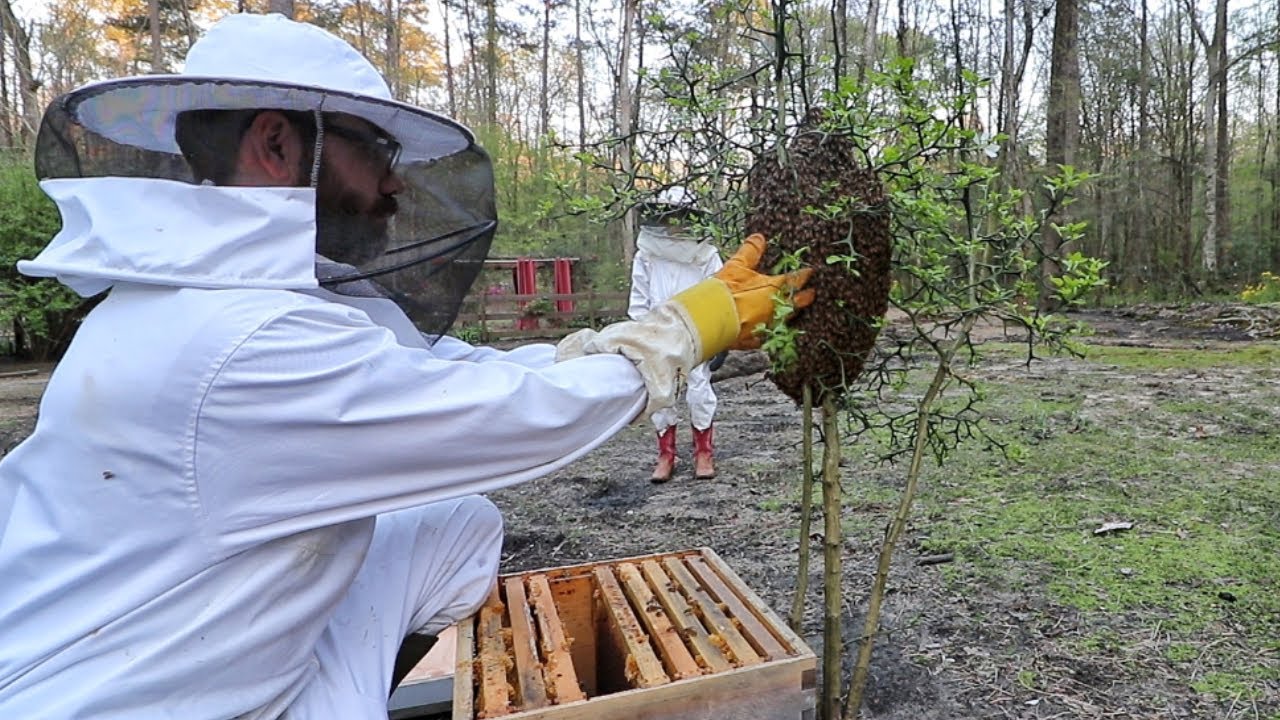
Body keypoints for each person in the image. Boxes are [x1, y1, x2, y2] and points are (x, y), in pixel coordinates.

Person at [0, 13, 812, 720]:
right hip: (114, 697)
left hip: (208, 643)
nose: (393, 183)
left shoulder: (226, 303)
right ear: (277, 142)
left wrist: (633, 335)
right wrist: (686, 330)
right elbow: (507, 417)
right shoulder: (242, 346)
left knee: (452, 526)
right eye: (378, 152)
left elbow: (447, 373)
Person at [629, 187, 724, 482]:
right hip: (657, 334)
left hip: (696, 332)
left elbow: (718, 296)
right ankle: (666, 455)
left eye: (680, 217)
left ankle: (703, 453)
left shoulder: (707, 255)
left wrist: (717, 338)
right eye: (669, 217)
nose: (674, 224)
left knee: (698, 390)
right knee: (661, 393)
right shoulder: (647, 255)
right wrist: (642, 335)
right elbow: (639, 299)